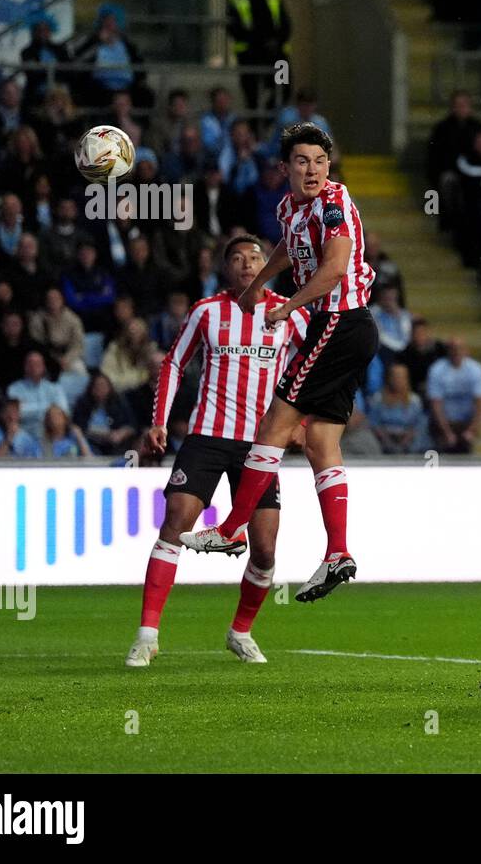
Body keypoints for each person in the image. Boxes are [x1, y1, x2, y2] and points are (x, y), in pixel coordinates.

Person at [180, 124, 378, 606]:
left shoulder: (334, 204)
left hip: (338, 321)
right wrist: (254, 287)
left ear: (329, 167)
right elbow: (291, 249)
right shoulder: (290, 208)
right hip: (346, 330)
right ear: (285, 168)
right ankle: (337, 552)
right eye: (301, 161)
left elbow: (333, 269)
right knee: (320, 443)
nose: (312, 170)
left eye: (319, 161)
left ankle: (230, 528)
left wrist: (287, 306)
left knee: (271, 427)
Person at [126, 234, 311, 668]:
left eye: (255, 257)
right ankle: (147, 636)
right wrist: (158, 419)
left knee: (264, 550)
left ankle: (240, 631)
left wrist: (300, 422)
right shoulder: (207, 311)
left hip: (261, 443)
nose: (247, 264)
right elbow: (174, 362)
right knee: (174, 524)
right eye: (237, 259)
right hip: (207, 437)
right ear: (224, 269)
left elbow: (318, 363)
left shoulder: (290, 313)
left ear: (268, 263)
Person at [227, 0, 292, 109]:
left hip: (277, 55)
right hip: (250, 55)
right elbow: (234, 27)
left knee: (283, 89)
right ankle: (255, 128)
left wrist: (277, 41)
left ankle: (270, 122)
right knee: (252, 97)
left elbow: (285, 22)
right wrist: (257, 42)